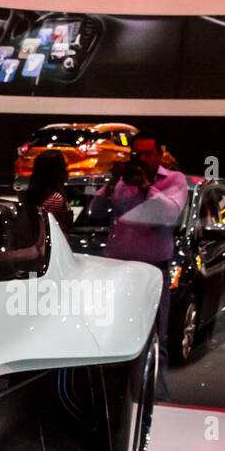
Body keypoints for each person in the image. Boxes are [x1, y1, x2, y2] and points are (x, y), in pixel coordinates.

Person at [89, 135, 188, 399]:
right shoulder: (122, 181)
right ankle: (115, 395)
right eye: (137, 154)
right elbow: (95, 212)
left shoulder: (174, 180)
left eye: (147, 154)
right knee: (113, 332)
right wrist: (111, 183)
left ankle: (154, 397)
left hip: (153, 270)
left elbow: (169, 214)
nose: (142, 159)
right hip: (118, 270)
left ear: (159, 154)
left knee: (156, 335)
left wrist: (146, 187)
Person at [23, 148, 71, 232]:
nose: (68, 170)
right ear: (56, 171)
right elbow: (51, 231)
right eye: (65, 166)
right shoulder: (55, 199)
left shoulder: (35, 197)